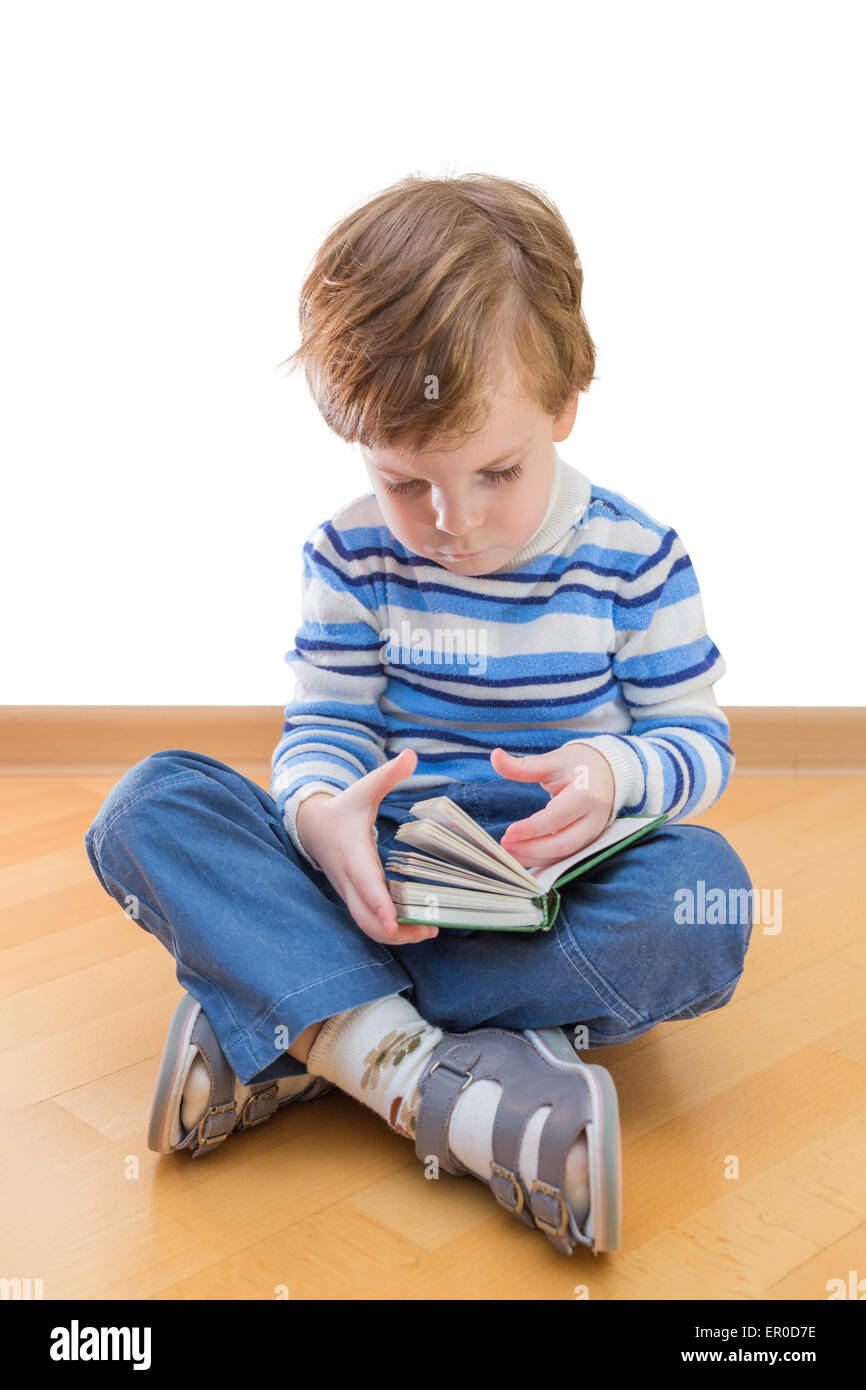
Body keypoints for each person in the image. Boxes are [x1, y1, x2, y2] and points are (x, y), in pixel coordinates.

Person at [84, 173, 754, 1257]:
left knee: (709, 899)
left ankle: (304, 1023)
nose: (454, 523)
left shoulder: (637, 560)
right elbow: (327, 723)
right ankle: (430, 1067)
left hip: (546, 883)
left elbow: (693, 739)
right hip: (378, 875)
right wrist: (316, 815)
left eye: (496, 471)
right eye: (406, 484)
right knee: (147, 805)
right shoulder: (348, 555)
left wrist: (609, 773)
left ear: (564, 404)